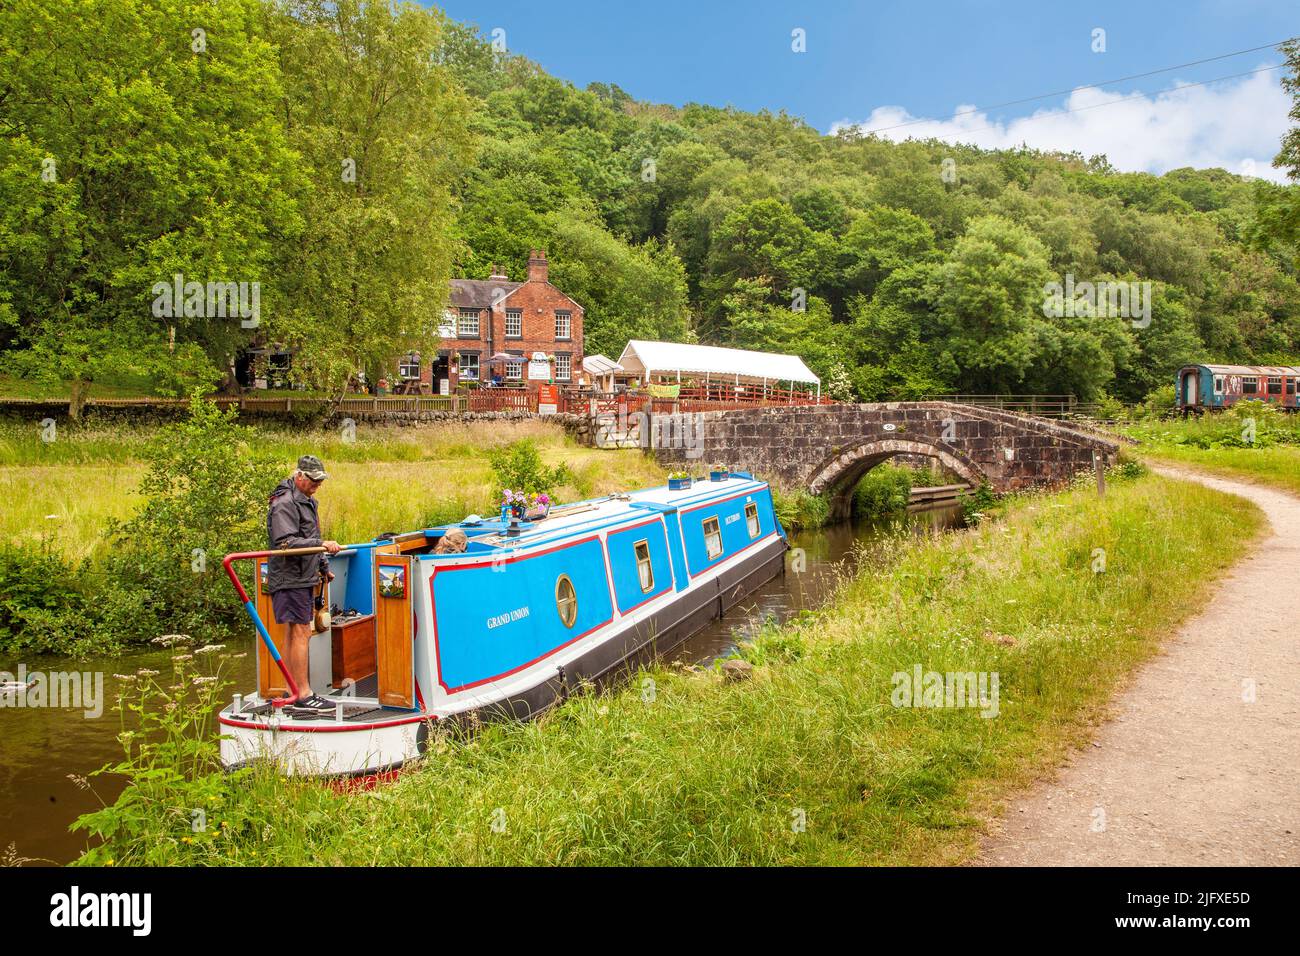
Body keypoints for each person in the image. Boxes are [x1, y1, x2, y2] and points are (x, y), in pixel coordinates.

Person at [266, 455, 341, 708]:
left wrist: (323, 566)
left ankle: (292, 690)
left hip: (303, 575)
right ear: (299, 476)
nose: (317, 484)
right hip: (290, 577)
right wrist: (322, 545)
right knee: (300, 632)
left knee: (294, 632)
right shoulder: (285, 503)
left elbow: (310, 535)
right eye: (313, 480)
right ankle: (304, 694)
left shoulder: (307, 500)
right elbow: (285, 542)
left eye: (320, 480)